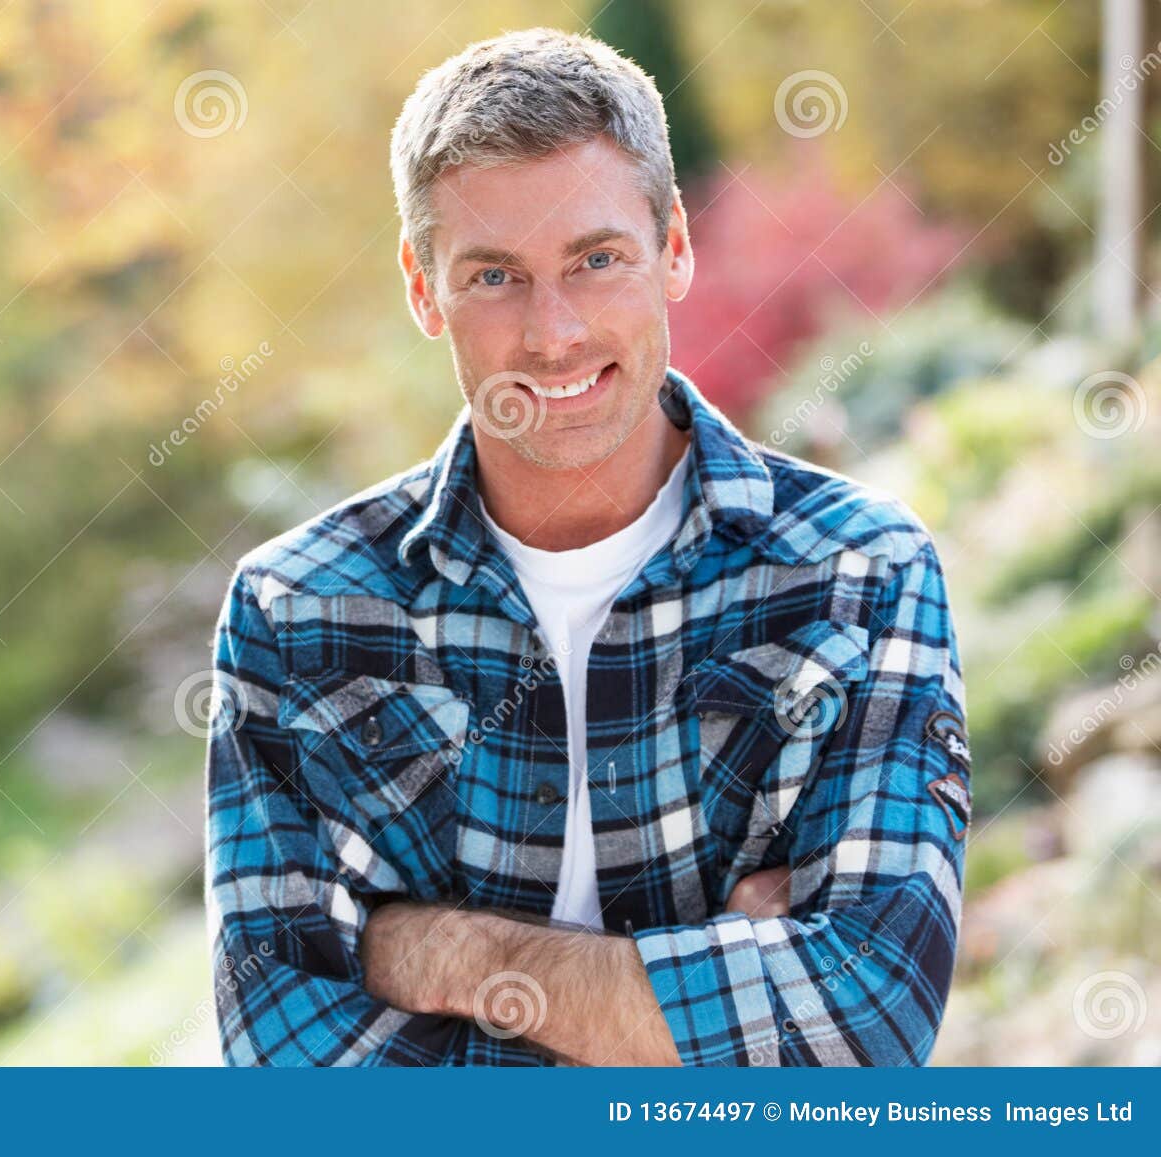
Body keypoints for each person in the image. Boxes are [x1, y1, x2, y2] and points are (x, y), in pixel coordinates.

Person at [205, 27, 969, 1066]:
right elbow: (286, 1062)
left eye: (596, 259)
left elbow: (861, 1028)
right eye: (493, 276)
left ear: (676, 247)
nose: (552, 332)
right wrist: (708, 995)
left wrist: (446, 955)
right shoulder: (297, 612)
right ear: (421, 286)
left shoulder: (857, 572)